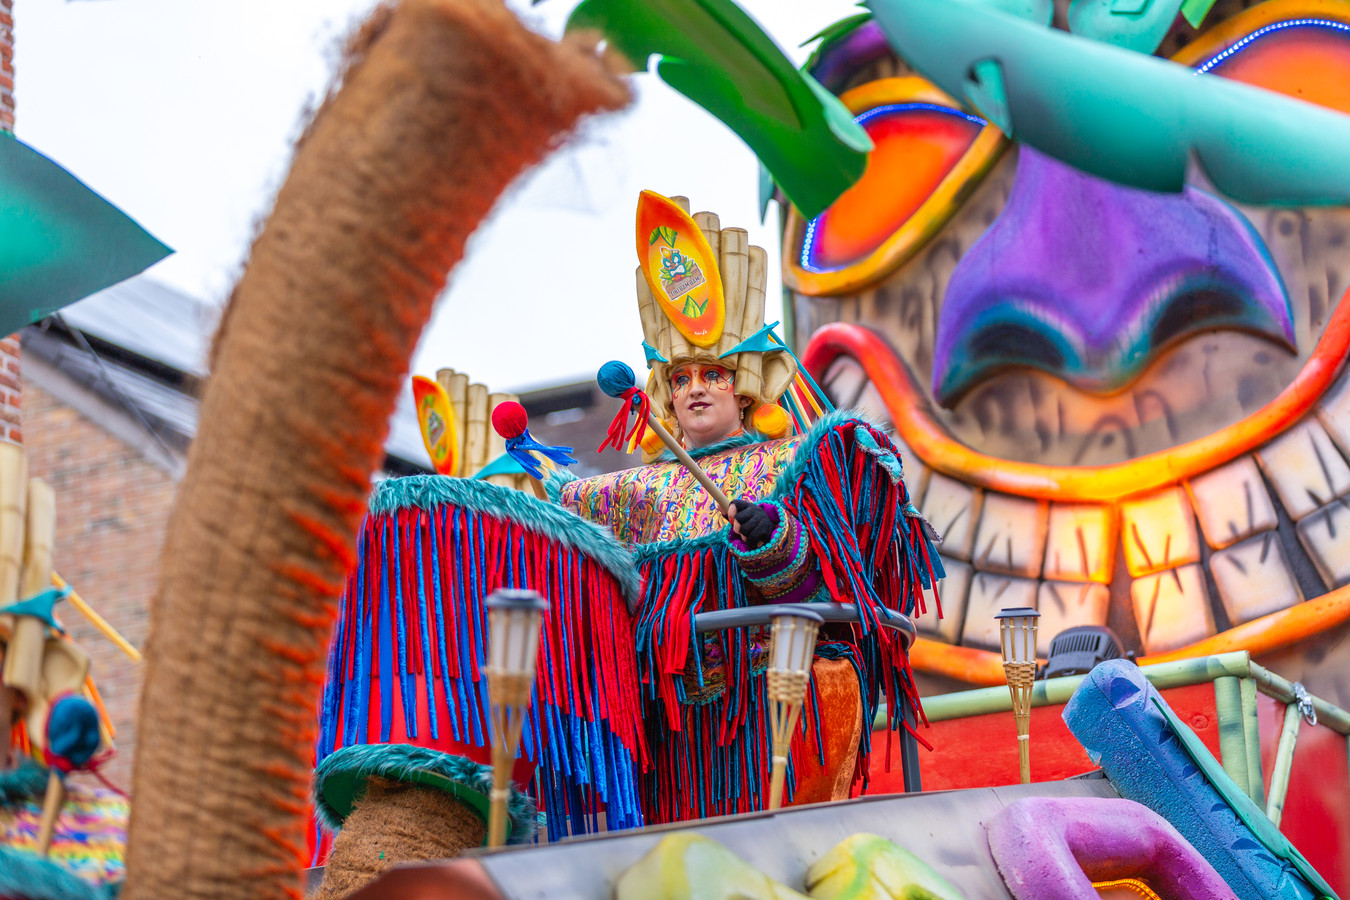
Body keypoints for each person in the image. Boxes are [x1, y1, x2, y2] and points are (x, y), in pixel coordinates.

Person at [551, 191, 942, 823]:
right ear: (663, 396)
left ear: (745, 384)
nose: (697, 388)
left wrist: (771, 541)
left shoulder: (794, 464)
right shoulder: (625, 493)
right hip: (676, 735)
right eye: (681, 379)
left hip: (772, 720)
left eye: (713, 374)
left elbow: (831, 594)